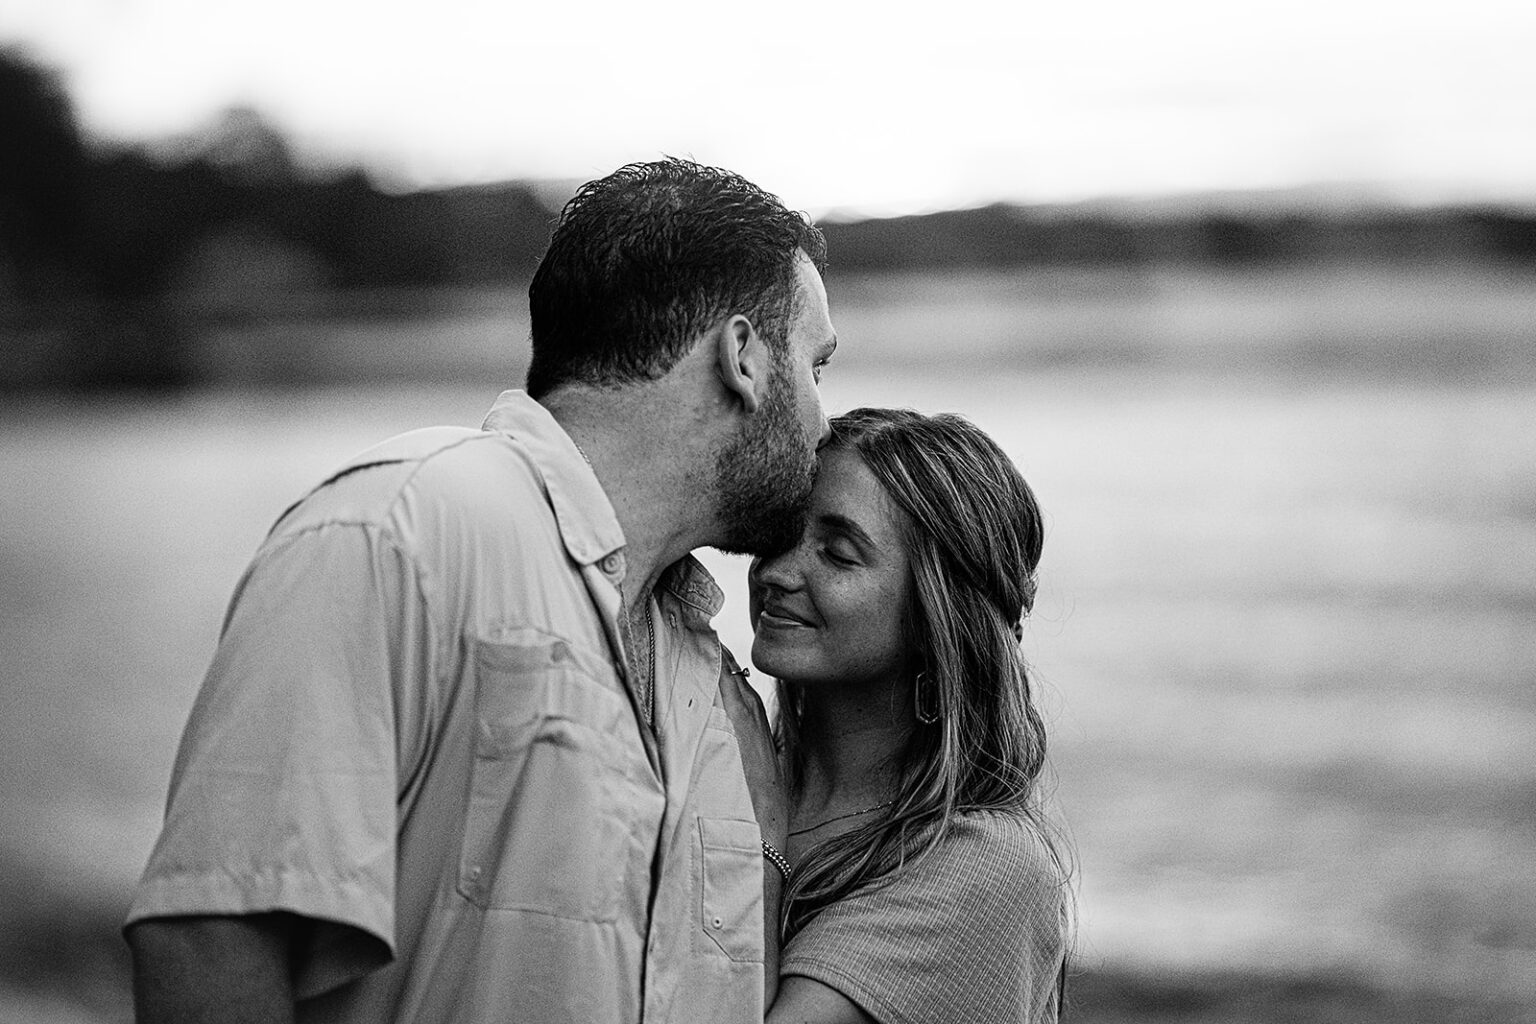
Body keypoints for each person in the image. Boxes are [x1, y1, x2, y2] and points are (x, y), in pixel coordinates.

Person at [124, 157, 834, 1024]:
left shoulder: (723, 693)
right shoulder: (397, 528)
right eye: (817, 367)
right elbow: (214, 935)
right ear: (745, 358)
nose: (824, 423)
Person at [750, 408, 1071, 1024]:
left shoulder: (982, 865)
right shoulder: (727, 767)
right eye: (779, 532)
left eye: (838, 554)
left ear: (935, 616)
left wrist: (753, 827)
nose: (775, 572)